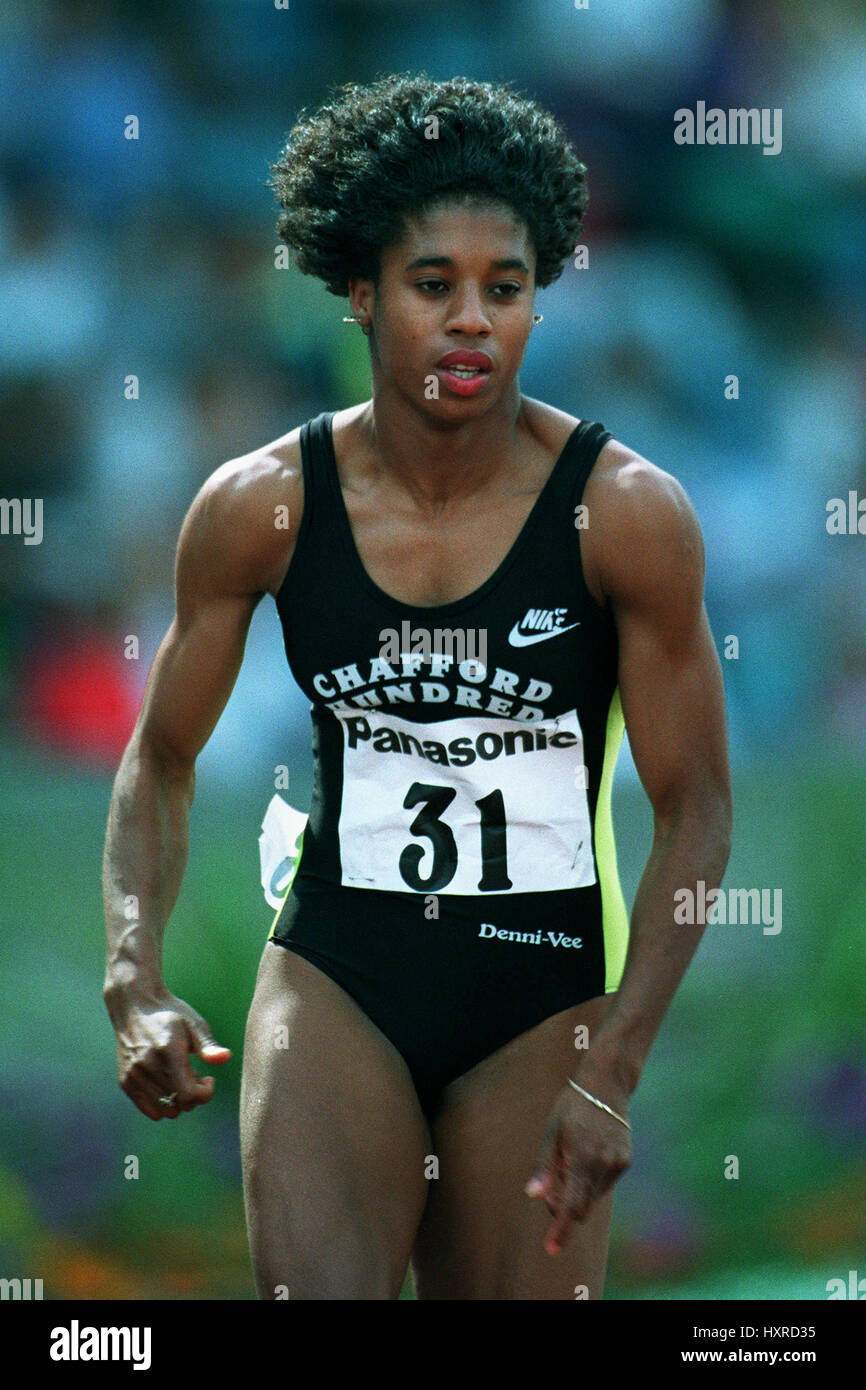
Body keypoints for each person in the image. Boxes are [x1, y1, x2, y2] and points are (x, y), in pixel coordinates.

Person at [102, 73, 732, 1301]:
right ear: (359, 293)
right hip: (342, 967)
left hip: (539, 982)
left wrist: (614, 1069)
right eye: (431, 284)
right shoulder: (258, 508)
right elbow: (160, 758)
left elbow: (696, 805)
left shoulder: (625, 516)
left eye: (504, 290)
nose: (470, 321)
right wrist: (135, 974)